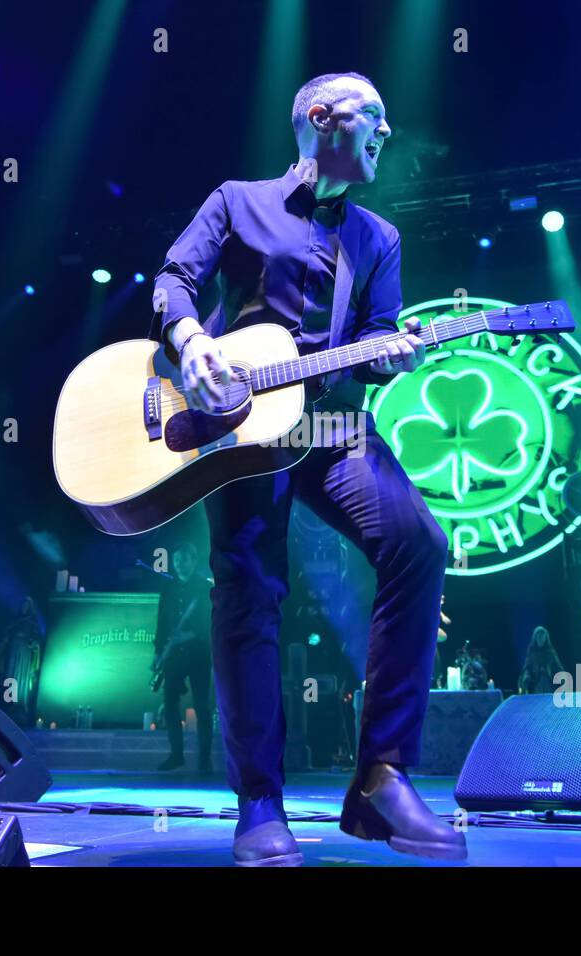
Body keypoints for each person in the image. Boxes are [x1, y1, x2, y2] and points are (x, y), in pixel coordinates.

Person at [151, 72, 462, 864]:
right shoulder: (237, 201)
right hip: (240, 425)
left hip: (328, 421)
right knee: (251, 589)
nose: (387, 133)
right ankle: (259, 800)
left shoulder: (379, 238)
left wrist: (395, 355)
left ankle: (381, 780)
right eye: (375, 118)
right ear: (321, 120)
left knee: (419, 542)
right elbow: (175, 280)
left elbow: (383, 337)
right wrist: (193, 346)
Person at [152, 542, 214, 772]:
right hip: (173, 656)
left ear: (193, 560)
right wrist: (158, 651)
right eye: (176, 560)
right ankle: (176, 755)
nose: (179, 564)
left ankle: (204, 758)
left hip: (198, 654)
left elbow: (210, 622)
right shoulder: (168, 589)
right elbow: (161, 623)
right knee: (169, 703)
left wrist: (188, 635)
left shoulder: (204, 588)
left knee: (201, 705)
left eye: (183, 559)